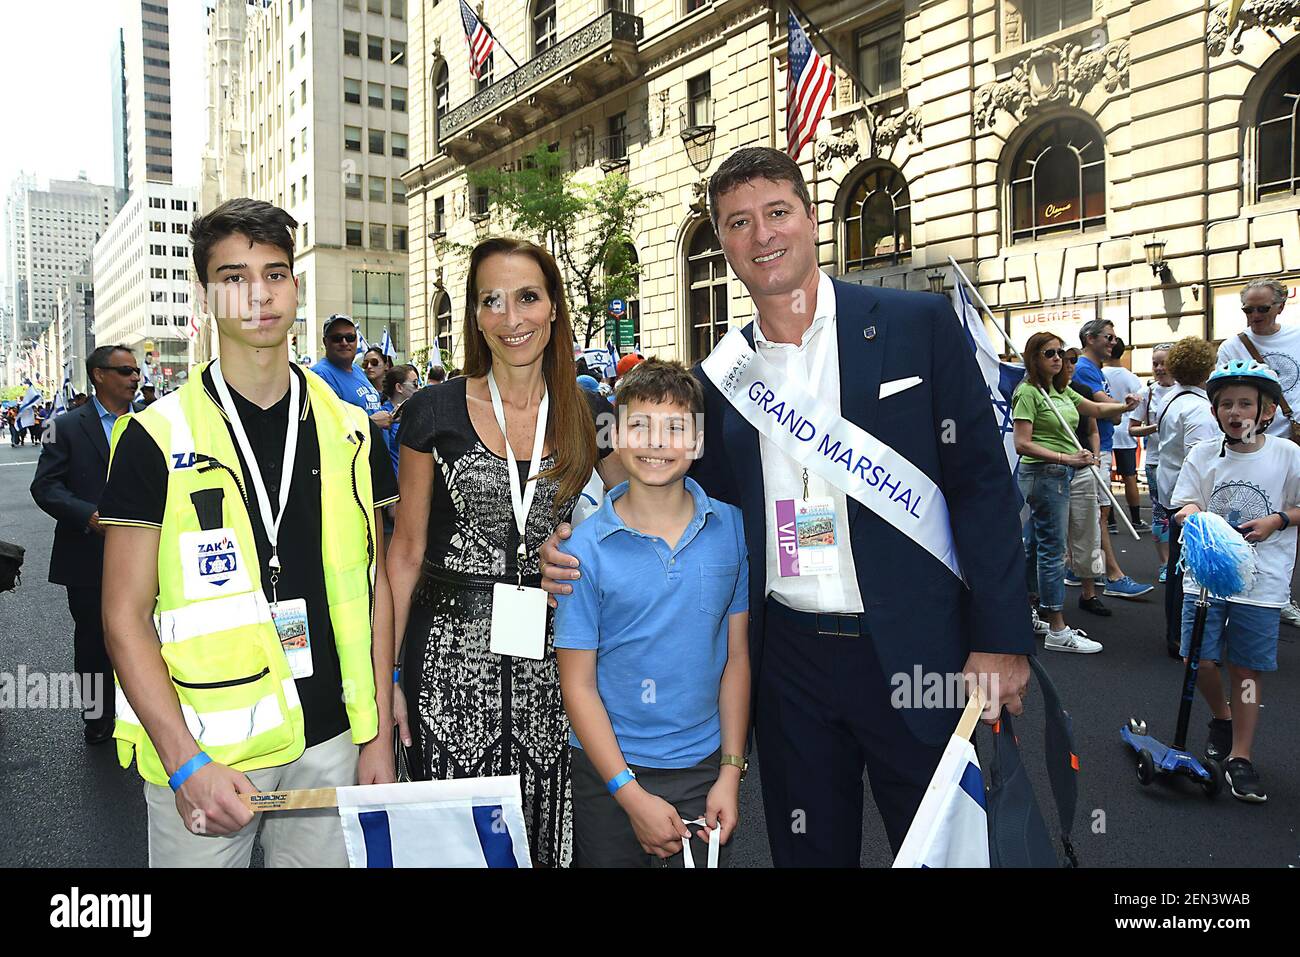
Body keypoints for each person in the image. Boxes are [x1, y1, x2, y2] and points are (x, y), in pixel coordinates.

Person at [543, 146, 1035, 866]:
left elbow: (984, 487)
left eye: (777, 213)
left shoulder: (916, 324)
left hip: (915, 644)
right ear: (723, 243)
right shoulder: (721, 376)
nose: (762, 235)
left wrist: (1002, 638)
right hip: (789, 661)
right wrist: (577, 537)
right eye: (738, 223)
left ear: (809, 219)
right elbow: (663, 471)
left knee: (943, 851)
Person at [99, 197, 399, 867]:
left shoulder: (352, 428)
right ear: (206, 296)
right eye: (234, 277)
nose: (257, 295)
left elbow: (374, 585)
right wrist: (184, 764)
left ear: (296, 285)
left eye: (275, 273)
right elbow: (122, 615)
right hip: (208, 748)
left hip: (331, 742)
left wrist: (375, 733)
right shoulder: (154, 437)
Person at [387, 236, 622, 868]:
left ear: (552, 309)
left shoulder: (592, 411)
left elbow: (628, 526)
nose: (511, 318)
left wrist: (577, 547)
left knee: (544, 833)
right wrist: (386, 686)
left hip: (556, 660)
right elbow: (403, 555)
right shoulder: (431, 411)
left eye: (527, 298)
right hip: (447, 666)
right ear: (473, 314)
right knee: (454, 844)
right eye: (492, 300)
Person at [555, 359, 749, 867]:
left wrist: (731, 769)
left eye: (675, 428)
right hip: (609, 771)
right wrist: (629, 794)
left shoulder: (731, 528)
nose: (656, 442)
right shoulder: (583, 551)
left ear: (699, 441)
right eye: (639, 425)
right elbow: (577, 684)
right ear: (615, 436)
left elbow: (735, 659)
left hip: (704, 765)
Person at [1170, 361, 1300, 803]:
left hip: (1262, 582)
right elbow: (1183, 502)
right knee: (1198, 661)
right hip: (1205, 575)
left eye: (1246, 403)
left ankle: (1240, 756)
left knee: (1246, 668)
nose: (1235, 411)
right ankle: (1220, 718)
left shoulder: (1287, 455)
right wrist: (1191, 515)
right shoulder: (1202, 454)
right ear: (1215, 411)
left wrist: (1278, 520)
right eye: (1226, 403)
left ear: (1266, 411)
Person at [29, 344, 140, 744]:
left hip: (144, 554)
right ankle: (97, 718)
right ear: (99, 376)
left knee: (145, 634)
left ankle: (142, 713)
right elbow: (45, 487)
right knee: (95, 639)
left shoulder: (150, 422)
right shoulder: (66, 425)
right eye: (125, 371)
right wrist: (88, 516)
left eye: (136, 371)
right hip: (87, 554)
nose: (134, 378)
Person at [1012, 333, 1132, 652]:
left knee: (1039, 546)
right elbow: (1021, 444)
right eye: (1049, 353)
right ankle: (1057, 629)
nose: (1057, 358)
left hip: (1061, 474)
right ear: (1034, 358)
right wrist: (1067, 458)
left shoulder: (1060, 391)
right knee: (1052, 550)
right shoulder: (1029, 392)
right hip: (1045, 475)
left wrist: (1125, 405)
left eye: (1060, 353)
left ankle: (1028, 612)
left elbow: (1094, 409)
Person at [1217, 278, 1300, 629]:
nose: (1254, 316)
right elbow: (1221, 392)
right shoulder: (1233, 345)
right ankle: (1252, 592)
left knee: (1290, 519)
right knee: (1255, 512)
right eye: (1248, 309)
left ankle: (1280, 593)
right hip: (1252, 440)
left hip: (1294, 439)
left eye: (1262, 309)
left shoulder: (1296, 337)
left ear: (1280, 306)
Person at [1072, 319, 1152, 599]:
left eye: (1114, 338)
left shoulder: (1094, 369)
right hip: (1097, 449)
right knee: (1098, 515)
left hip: (1100, 445)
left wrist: (1113, 409)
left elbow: (1110, 410)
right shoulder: (1084, 368)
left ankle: (1080, 568)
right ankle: (1112, 574)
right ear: (1090, 338)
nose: (1113, 342)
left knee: (1095, 515)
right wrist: (1115, 408)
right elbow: (1106, 409)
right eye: (1108, 337)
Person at [1157, 337, 1220, 659]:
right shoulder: (1198, 408)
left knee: (1179, 570)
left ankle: (1178, 635)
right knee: (1189, 570)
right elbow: (1200, 458)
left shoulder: (1171, 399)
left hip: (1172, 491)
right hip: (1188, 498)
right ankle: (1183, 637)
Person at [1061, 348, 1109, 618]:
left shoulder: (1080, 390)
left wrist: (1096, 458)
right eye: (1057, 356)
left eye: (1070, 359)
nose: (1066, 363)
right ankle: (1045, 598)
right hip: (1054, 470)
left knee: (1088, 532)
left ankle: (1088, 592)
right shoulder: (1038, 392)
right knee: (1051, 539)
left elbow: (1092, 427)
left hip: (1083, 468)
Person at [1129, 343, 1175, 581]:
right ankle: (1165, 564)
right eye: (1155, 363)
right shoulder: (1147, 392)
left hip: (1185, 462)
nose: (1158, 368)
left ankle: (1185, 561)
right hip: (1157, 462)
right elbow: (1133, 430)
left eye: (1163, 362)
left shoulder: (1186, 390)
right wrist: (1157, 427)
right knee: (1161, 514)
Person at [310, 315, 393, 430]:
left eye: (350, 337)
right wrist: (371, 423)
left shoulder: (358, 370)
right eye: (337, 338)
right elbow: (327, 425)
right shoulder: (320, 374)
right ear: (325, 342)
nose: (344, 343)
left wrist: (391, 416)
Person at [1104, 337, 1147, 532]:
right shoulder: (1131, 377)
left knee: (1106, 478)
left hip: (1105, 429)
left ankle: (1111, 521)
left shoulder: (1100, 374)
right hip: (1126, 432)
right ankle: (1136, 520)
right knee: (1130, 476)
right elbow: (1141, 402)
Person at [379, 363, 419, 479]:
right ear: (399, 388)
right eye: (415, 384)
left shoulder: (414, 412)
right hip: (395, 484)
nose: (418, 388)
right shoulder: (384, 416)